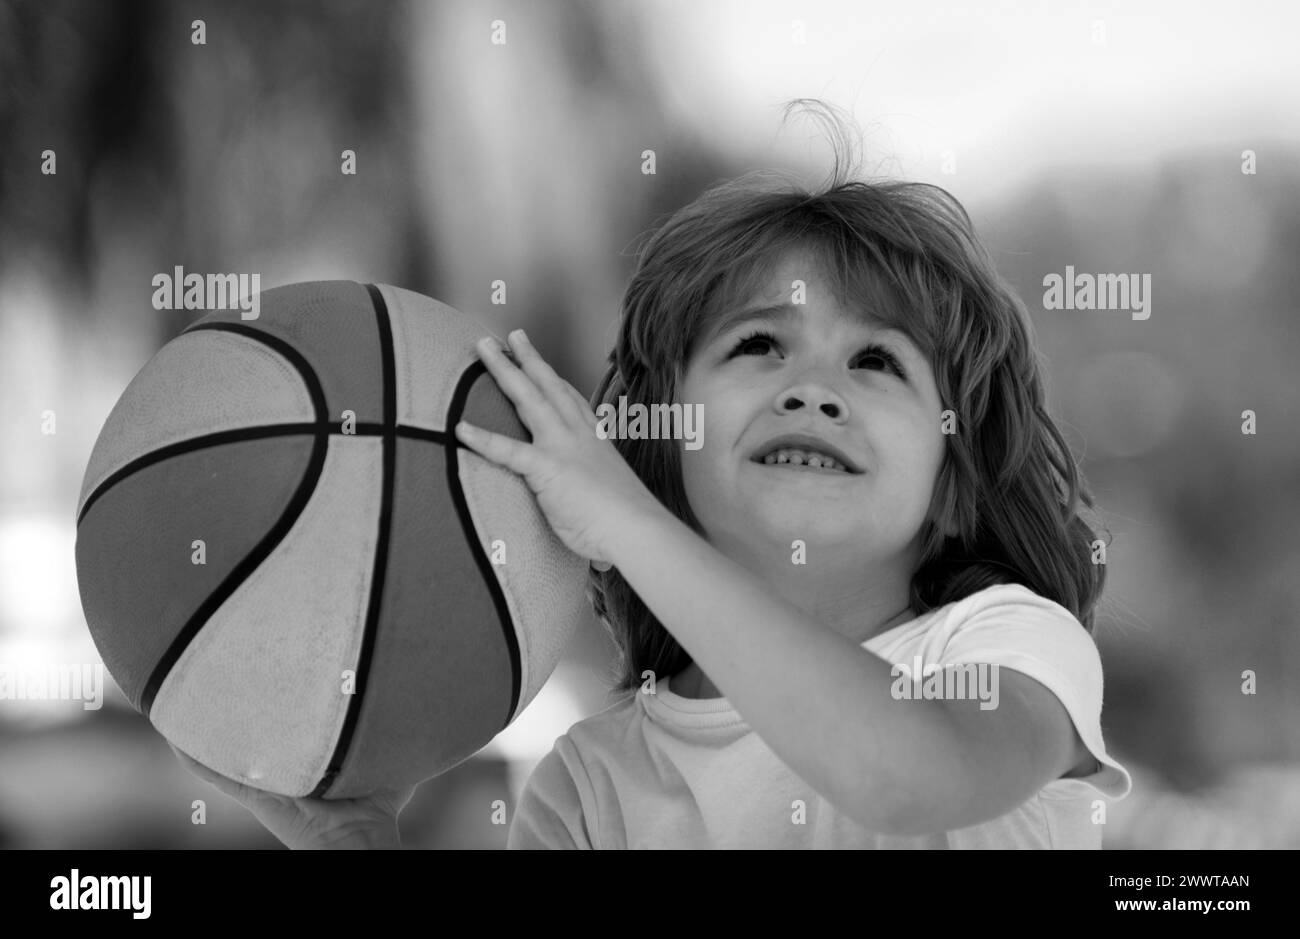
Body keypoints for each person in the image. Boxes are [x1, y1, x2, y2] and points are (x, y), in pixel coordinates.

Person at [178, 101, 1131, 848]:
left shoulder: (1004, 646)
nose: (814, 389)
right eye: (760, 343)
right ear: (660, 442)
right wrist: (354, 840)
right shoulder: (594, 783)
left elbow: (903, 775)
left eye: (876, 361)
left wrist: (630, 526)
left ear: (954, 474)